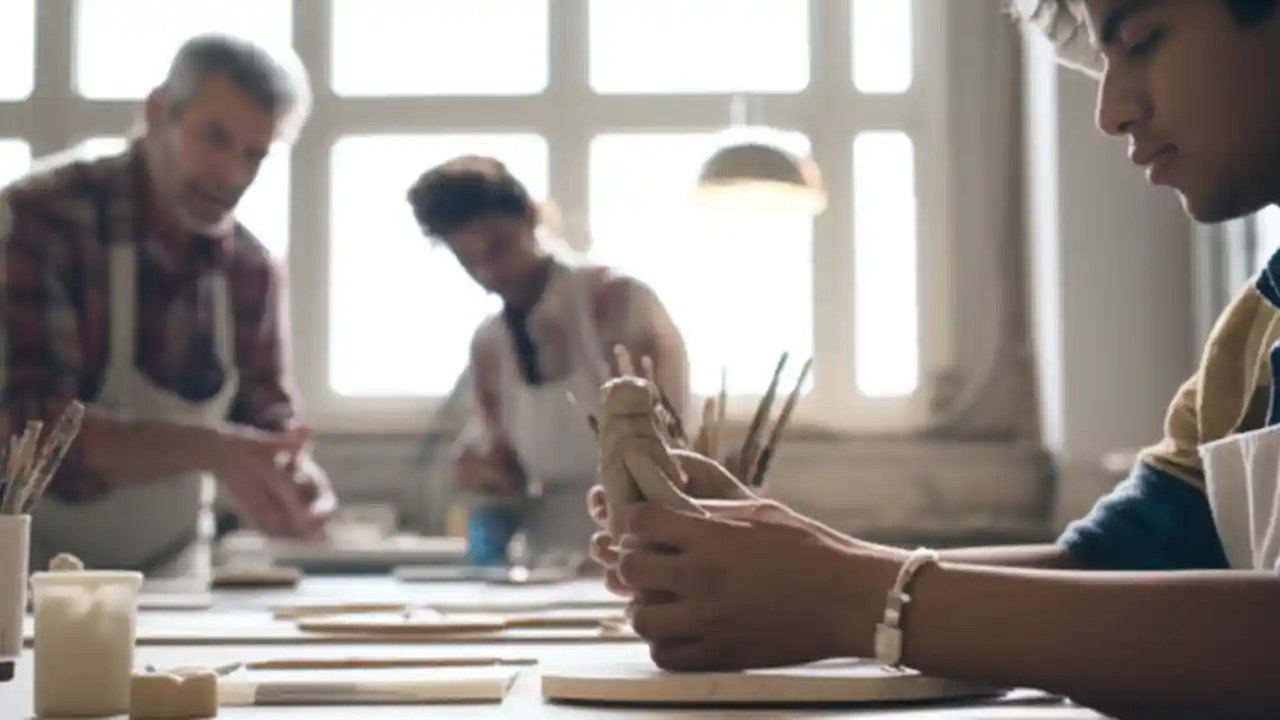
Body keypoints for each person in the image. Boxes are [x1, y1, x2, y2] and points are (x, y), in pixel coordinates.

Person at [586, 0, 1280, 716]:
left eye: (1140, 39)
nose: (1109, 110)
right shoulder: (1254, 333)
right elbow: (1113, 569)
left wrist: (847, 593)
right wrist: (780, 561)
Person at [0, 34, 336, 585]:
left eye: (255, 154)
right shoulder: (44, 220)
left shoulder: (249, 267)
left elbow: (265, 418)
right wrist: (213, 450)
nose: (231, 175)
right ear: (157, 112)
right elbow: (30, 435)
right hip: (22, 581)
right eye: (214, 138)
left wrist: (292, 482)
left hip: (173, 580)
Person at [407, 155, 689, 567]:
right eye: (468, 260)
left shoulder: (616, 301)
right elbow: (504, 463)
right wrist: (485, 473)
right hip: (546, 552)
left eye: (498, 245)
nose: (488, 269)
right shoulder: (489, 345)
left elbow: (669, 437)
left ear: (532, 219)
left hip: (643, 535)